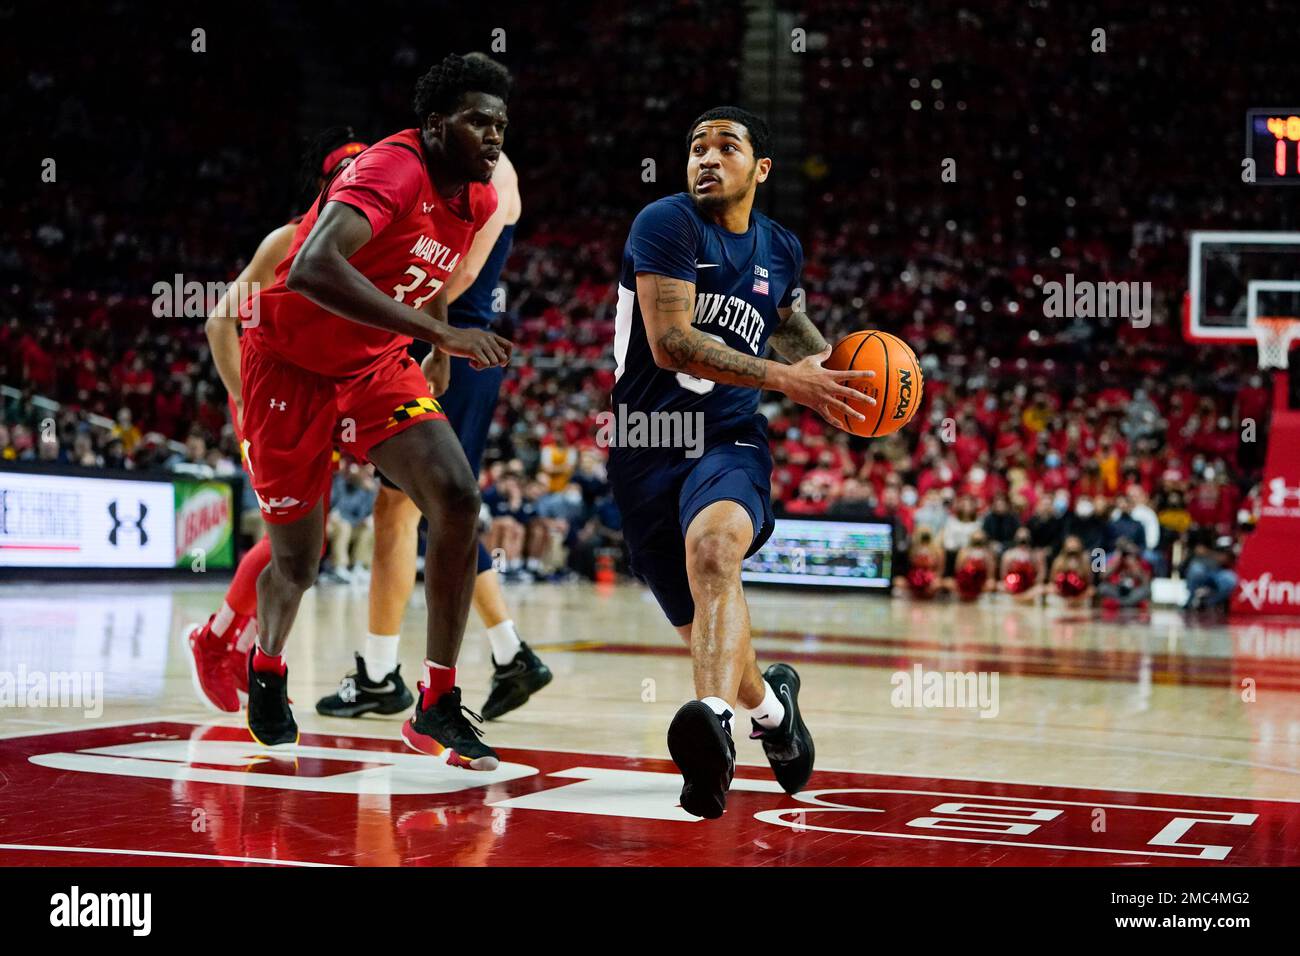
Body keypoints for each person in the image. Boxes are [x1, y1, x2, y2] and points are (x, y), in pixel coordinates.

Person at [238, 52, 514, 767]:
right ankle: (267, 668)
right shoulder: (392, 169)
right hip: (291, 367)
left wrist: (440, 337)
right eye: (477, 122)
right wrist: (440, 331)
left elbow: (438, 266)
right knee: (297, 563)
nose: (493, 138)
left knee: (457, 497)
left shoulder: (475, 199)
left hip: (375, 366)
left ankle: (437, 701)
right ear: (432, 126)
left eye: (501, 127)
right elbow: (312, 266)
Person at [609, 106, 873, 817]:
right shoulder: (664, 223)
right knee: (712, 635)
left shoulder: (779, 246)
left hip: (728, 440)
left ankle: (714, 729)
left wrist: (832, 375)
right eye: (696, 146)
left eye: (726, 146)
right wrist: (791, 380)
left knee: (718, 551)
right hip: (643, 448)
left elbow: (787, 324)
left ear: (760, 169)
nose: (706, 157)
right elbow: (673, 345)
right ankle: (771, 710)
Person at [315, 142, 552, 721]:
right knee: (414, 512)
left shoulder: (494, 176)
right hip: (440, 343)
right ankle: (504, 654)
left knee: (414, 511)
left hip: (452, 349)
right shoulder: (458, 171)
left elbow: (458, 270)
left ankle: (382, 673)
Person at [185, 126, 372, 714]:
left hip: (322, 405)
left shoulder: (375, 248)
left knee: (303, 547)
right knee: (286, 540)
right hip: (272, 411)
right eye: (346, 173)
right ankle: (215, 640)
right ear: (326, 186)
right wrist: (247, 407)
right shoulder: (288, 241)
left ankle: (231, 641)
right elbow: (220, 321)